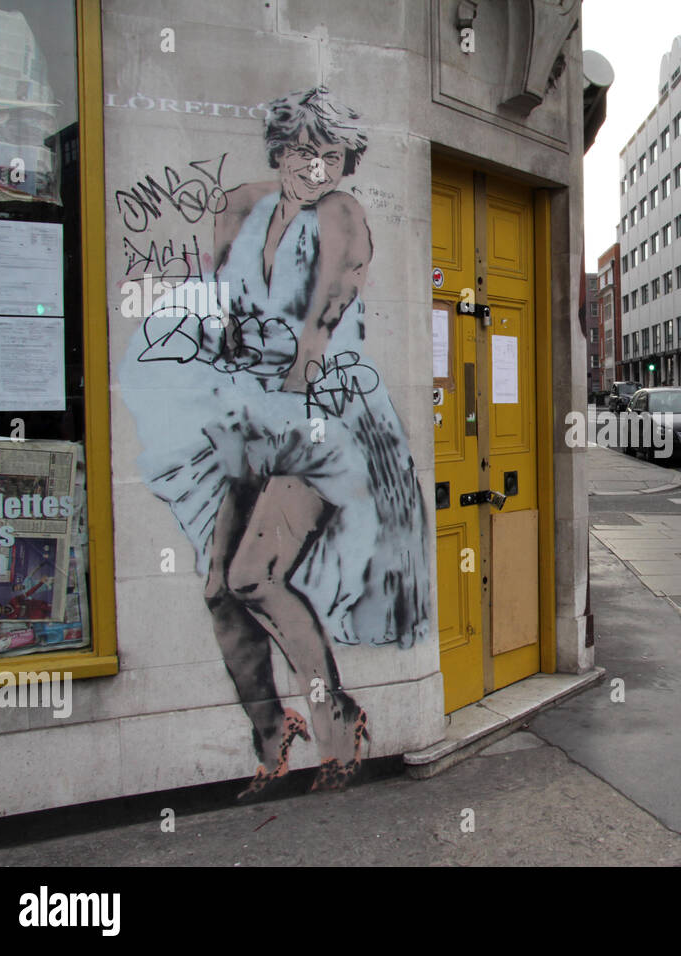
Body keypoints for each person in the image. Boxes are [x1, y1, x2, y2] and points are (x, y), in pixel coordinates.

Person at [119, 88, 430, 799]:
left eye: (329, 156)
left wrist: (262, 394)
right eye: (300, 152)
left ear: (346, 163)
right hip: (247, 418)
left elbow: (317, 338)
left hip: (318, 421)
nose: (314, 169)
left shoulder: (342, 216)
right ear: (279, 150)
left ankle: (337, 725)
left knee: (253, 576)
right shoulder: (245, 204)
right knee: (218, 591)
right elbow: (223, 308)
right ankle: (270, 729)